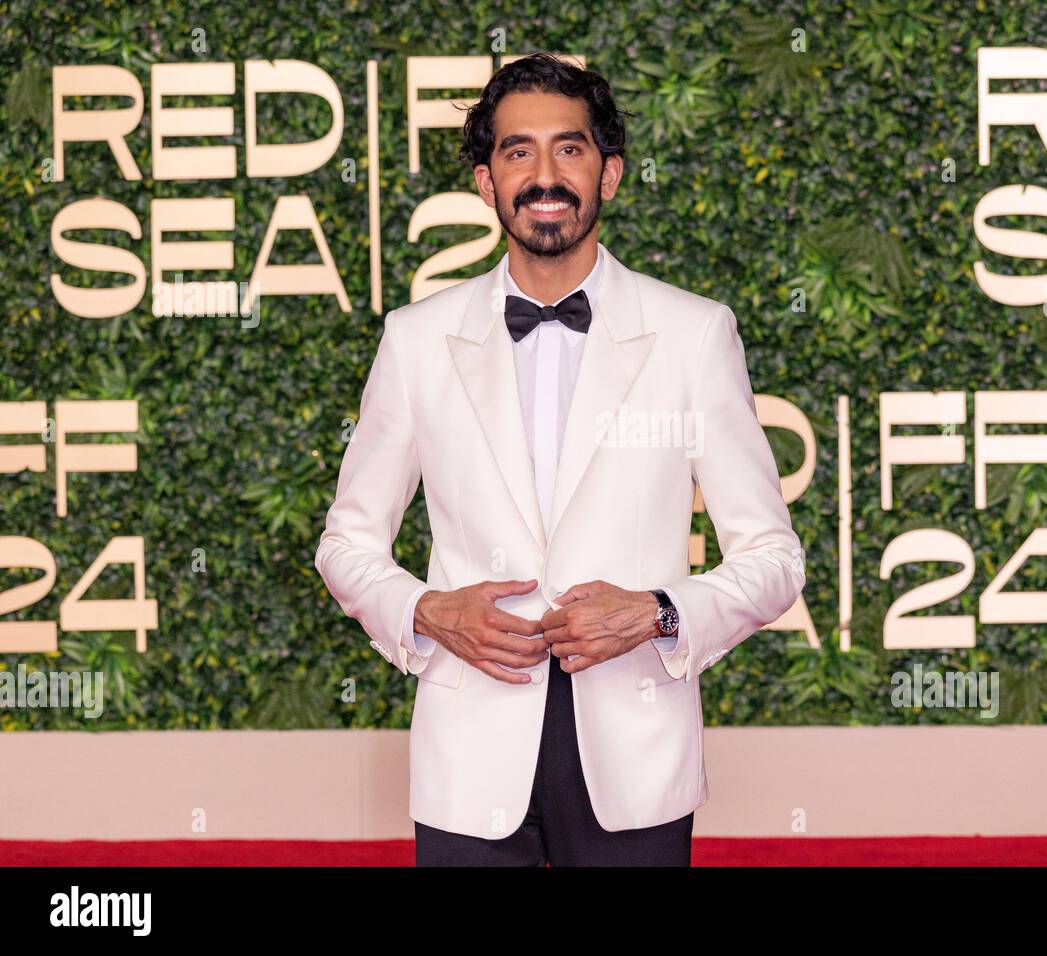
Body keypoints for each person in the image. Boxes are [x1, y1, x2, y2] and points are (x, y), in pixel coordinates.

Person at [315, 52, 805, 866]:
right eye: (518, 152)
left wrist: (658, 610)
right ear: (485, 181)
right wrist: (428, 613)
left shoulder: (693, 334)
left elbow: (774, 558)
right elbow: (347, 545)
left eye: (570, 149)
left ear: (609, 174)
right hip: (468, 755)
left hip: (636, 756)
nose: (546, 175)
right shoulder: (416, 340)